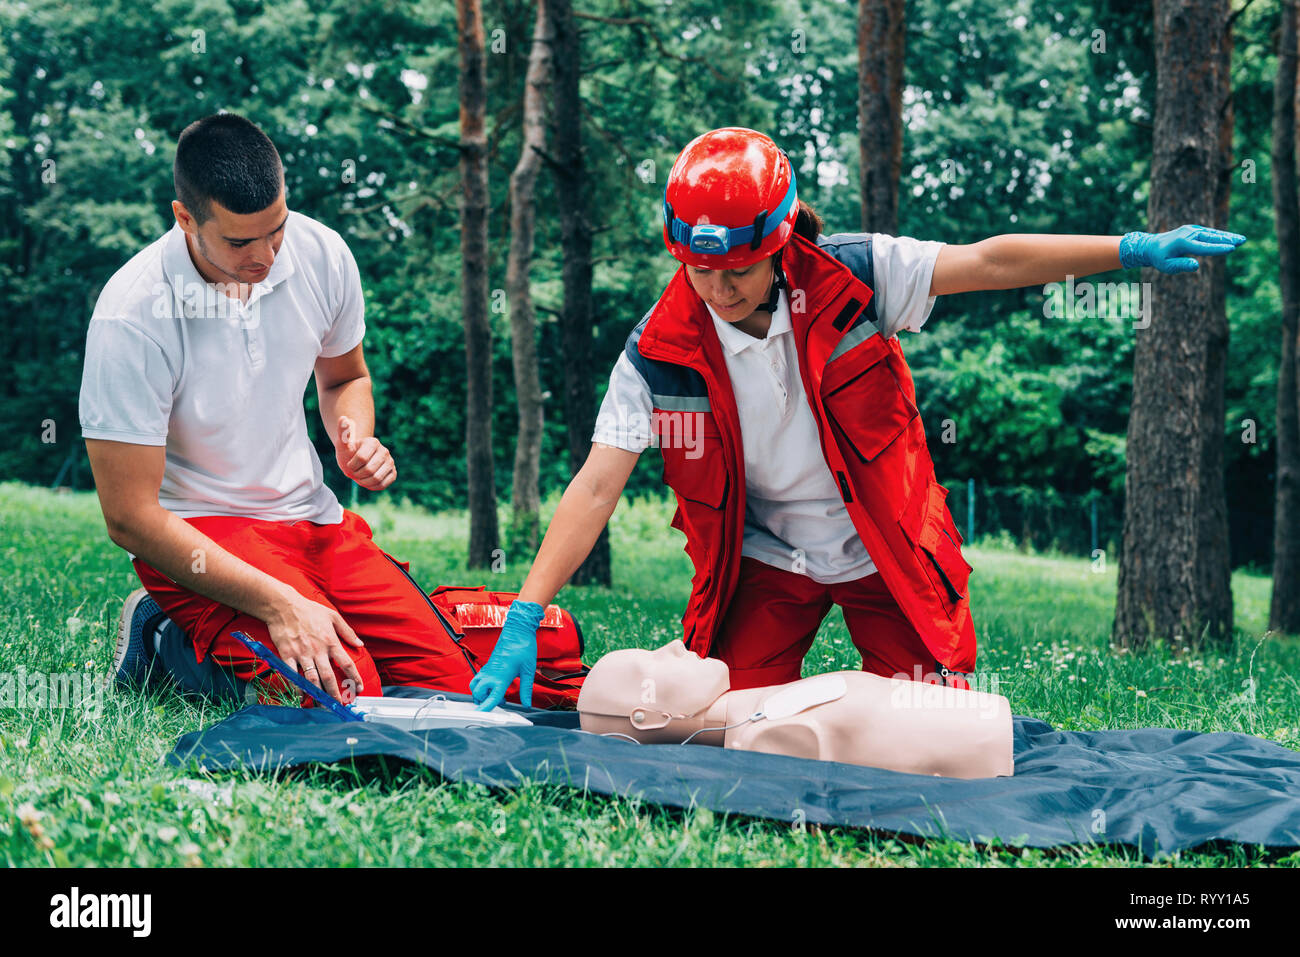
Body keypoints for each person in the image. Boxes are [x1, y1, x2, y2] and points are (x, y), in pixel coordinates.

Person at [470, 126, 1246, 712]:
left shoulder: (857, 274)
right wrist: (525, 612)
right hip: (767, 563)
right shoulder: (659, 350)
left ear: (778, 244)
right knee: (727, 724)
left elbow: (989, 261)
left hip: (886, 552)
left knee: (936, 730)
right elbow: (598, 485)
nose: (719, 287)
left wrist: (1129, 249)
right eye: (700, 269)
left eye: (737, 267)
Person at [83, 112, 475, 706]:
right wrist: (281, 602)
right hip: (201, 533)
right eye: (240, 241)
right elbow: (129, 518)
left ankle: (255, 628)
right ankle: (166, 640)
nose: (266, 256)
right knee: (343, 697)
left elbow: (346, 376)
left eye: (277, 230)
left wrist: (354, 435)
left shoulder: (323, 254)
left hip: (310, 519)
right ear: (185, 218)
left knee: (458, 688)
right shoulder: (132, 315)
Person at [576, 639, 1014, 778]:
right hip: (986, 744)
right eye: (649, 662)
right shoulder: (765, 737)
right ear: (647, 717)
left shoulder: (762, 716)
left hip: (987, 726)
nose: (672, 645)